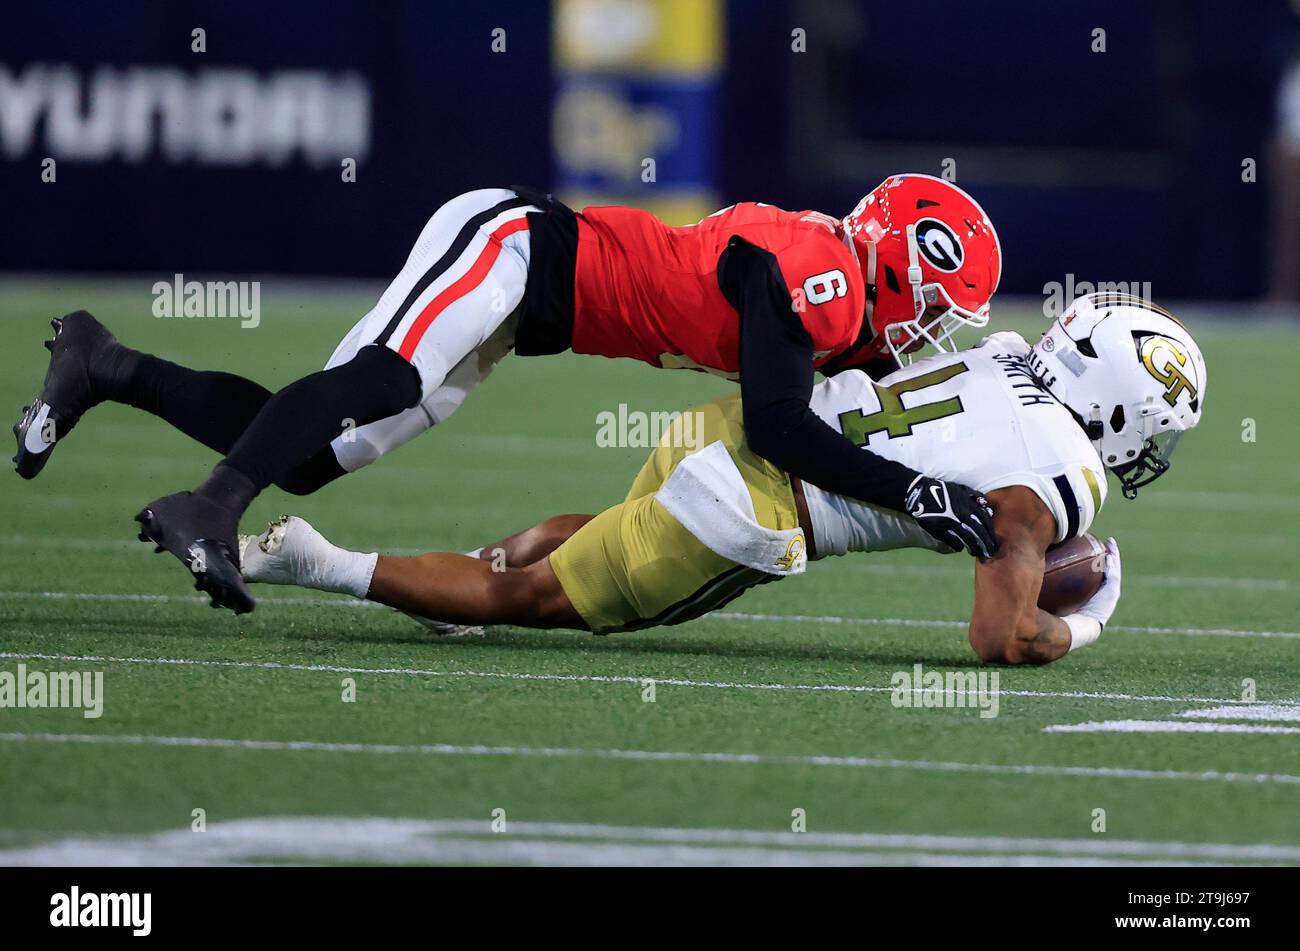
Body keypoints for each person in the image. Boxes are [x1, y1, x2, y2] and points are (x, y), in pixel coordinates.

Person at [14, 175, 1002, 613]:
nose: (928, 329)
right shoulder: (818, 275)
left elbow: (859, 400)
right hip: (513, 247)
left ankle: (104, 365)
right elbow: (782, 423)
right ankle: (210, 508)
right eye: (935, 303)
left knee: (316, 451)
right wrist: (912, 492)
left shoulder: (833, 284)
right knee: (384, 379)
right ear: (897, 261)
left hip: (525, 314)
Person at [239, 294, 1206, 665]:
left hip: (736, 429)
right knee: (532, 602)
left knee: (608, 534)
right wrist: (1083, 620)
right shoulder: (1058, 478)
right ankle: (324, 564)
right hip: (752, 507)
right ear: (1121, 409)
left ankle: (452, 584)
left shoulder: (1000, 354)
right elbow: (1000, 635)